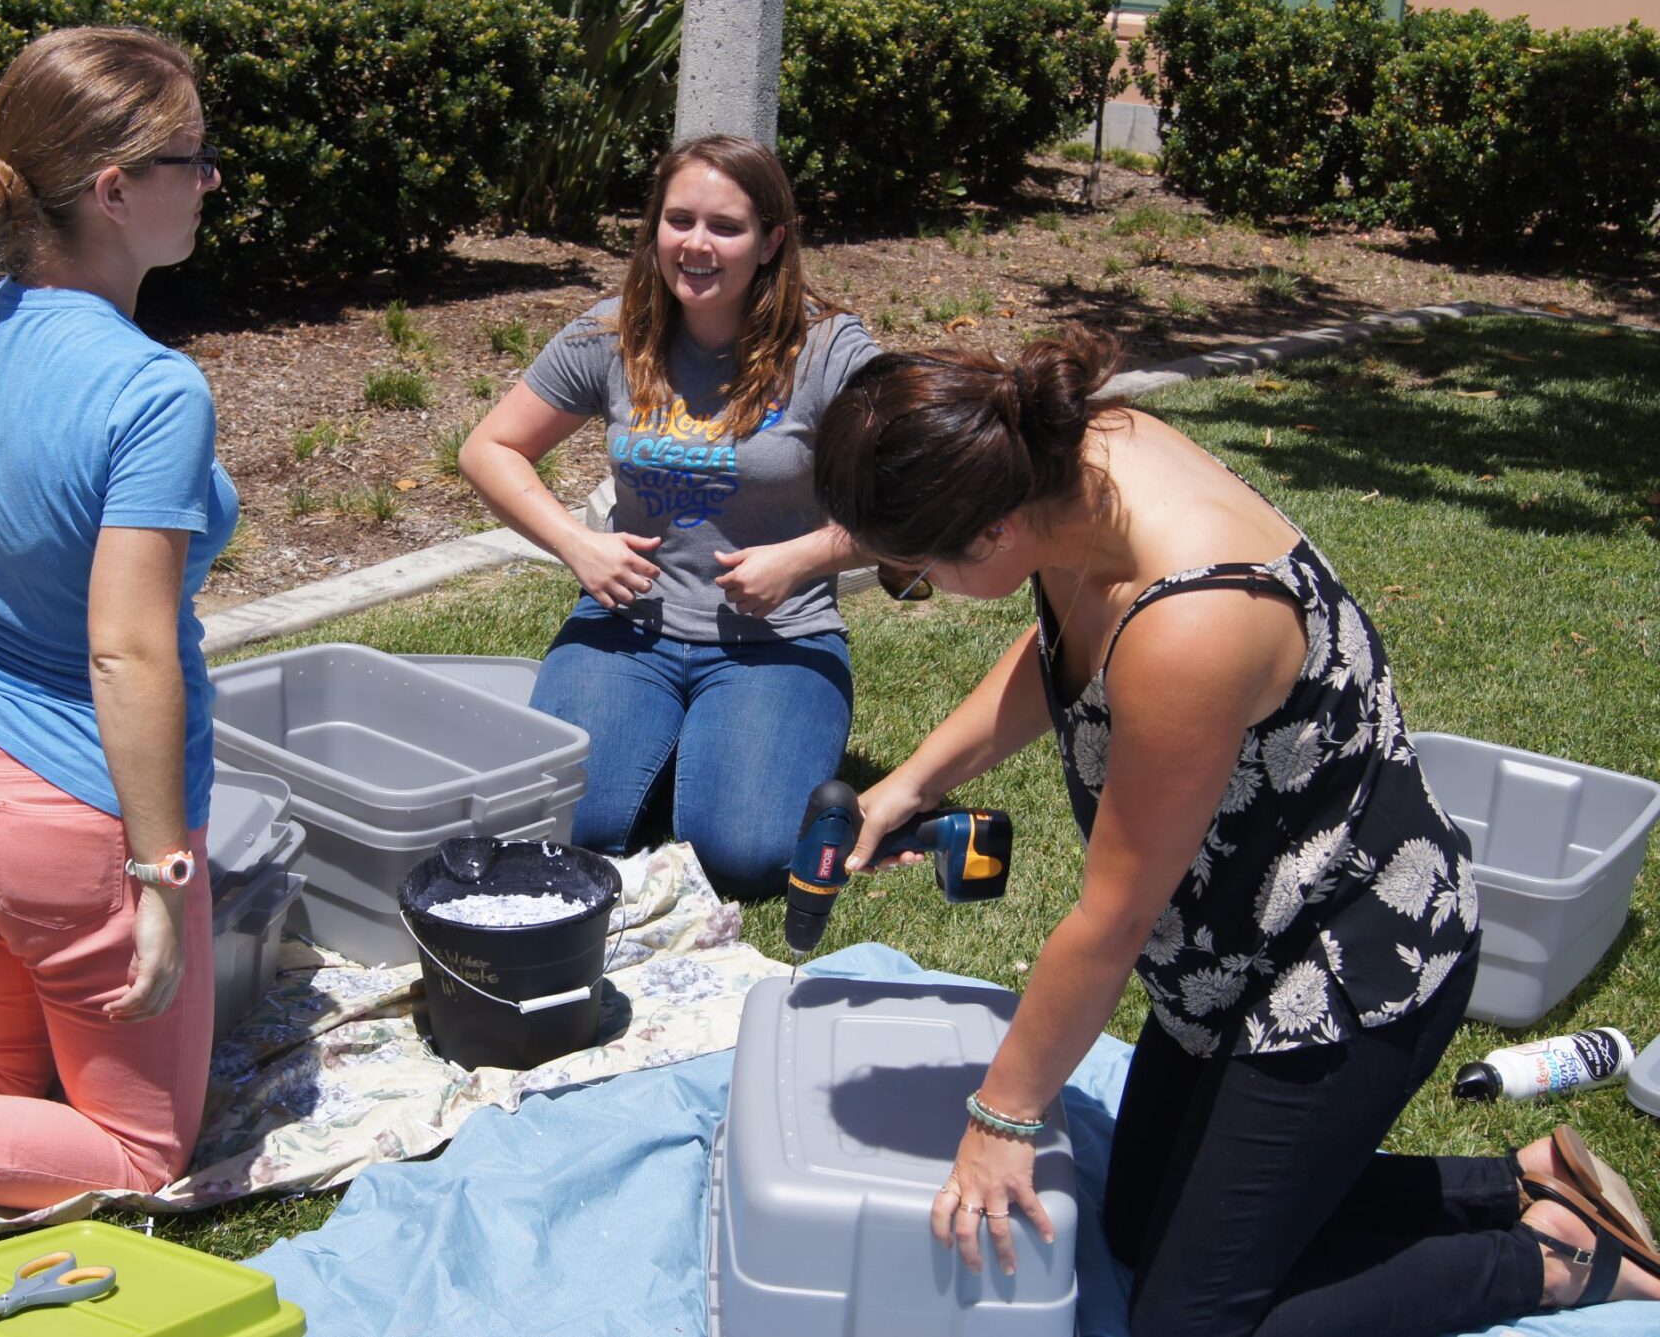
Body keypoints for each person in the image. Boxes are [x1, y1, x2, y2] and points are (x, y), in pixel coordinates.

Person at [811, 328, 1660, 1333]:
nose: (917, 590)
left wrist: (1001, 1116)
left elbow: (1111, 919)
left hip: (1350, 968)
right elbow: (1065, 641)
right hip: (1231, 946)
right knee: (1134, 1228)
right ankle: (1515, 1182)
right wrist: (908, 783)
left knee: (1189, 1323)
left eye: (911, 577)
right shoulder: (1066, 462)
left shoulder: (1191, 623)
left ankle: (1551, 1260)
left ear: (990, 530)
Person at [0, 26, 233, 1212]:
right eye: (192, 157)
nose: (211, 179)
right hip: (74, 823)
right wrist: (161, 874)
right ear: (115, 191)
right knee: (138, 1150)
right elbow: (124, 649)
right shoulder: (151, 388)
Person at [459, 134, 878, 897]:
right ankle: (671, 749)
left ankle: (721, 756)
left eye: (726, 226)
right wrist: (576, 543)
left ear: (771, 241)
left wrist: (802, 558)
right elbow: (490, 448)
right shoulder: (612, 333)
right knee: (567, 831)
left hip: (778, 640)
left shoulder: (828, 350)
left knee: (745, 858)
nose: (697, 244)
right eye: (679, 219)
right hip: (627, 626)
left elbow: (917, 494)